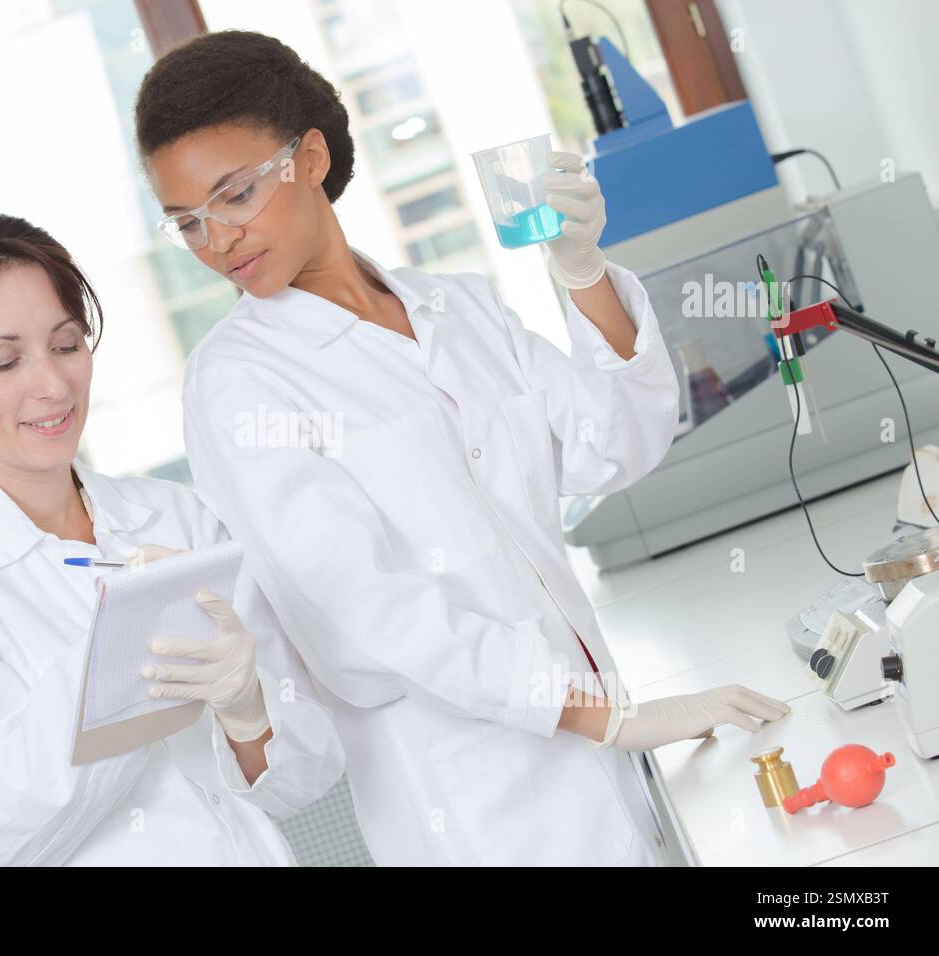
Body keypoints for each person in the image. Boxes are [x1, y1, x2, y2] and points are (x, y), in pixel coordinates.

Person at [134, 30, 789, 866]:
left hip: (610, 764)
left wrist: (582, 269)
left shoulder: (456, 307)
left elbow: (609, 447)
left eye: (235, 195)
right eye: (188, 223)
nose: (218, 241)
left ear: (307, 156)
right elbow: (364, 615)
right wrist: (603, 717)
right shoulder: (236, 384)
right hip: (476, 807)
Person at [0, 211, 344, 866]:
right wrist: (126, 658)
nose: (51, 386)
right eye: (4, 360)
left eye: (67, 345)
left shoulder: (170, 517)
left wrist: (249, 713)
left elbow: (304, 777)